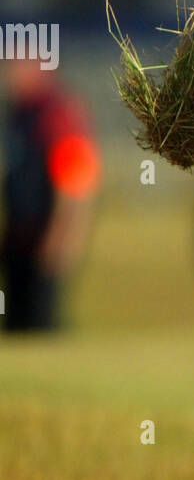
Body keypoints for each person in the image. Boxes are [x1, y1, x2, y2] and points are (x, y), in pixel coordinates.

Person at [1, 55, 101, 331]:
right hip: (19, 241)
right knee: (17, 323)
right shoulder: (20, 113)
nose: (9, 73)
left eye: (16, 65)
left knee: (41, 322)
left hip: (45, 242)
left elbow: (76, 186)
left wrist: (63, 239)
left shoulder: (57, 114)